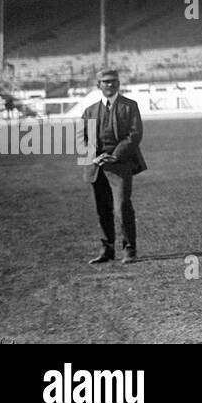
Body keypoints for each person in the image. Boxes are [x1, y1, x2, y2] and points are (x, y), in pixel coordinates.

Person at [81, 68, 146, 264]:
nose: (111, 85)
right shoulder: (90, 111)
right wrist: (95, 157)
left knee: (122, 207)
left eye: (114, 81)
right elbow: (82, 138)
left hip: (120, 165)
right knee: (103, 209)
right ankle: (107, 249)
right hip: (97, 166)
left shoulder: (129, 106)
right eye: (106, 82)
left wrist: (115, 156)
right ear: (98, 85)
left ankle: (129, 249)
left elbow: (135, 135)